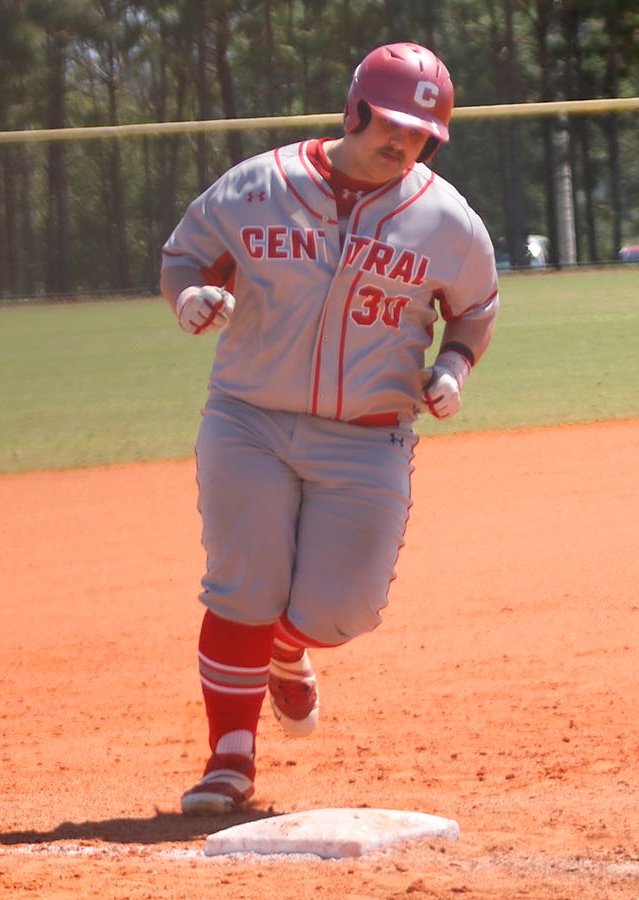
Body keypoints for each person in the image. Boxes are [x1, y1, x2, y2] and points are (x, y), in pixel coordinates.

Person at [159, 41, 500, 816]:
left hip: (367, 435)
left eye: (420, 134)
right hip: (249, 419)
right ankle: (230, 762)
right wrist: (189, 301)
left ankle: (290, 649)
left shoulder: (445, 220)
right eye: (390, 124)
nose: (402, 142)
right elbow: (186, 256)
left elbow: (475, 309)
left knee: (343, 609)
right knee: (244, 587)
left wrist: (453, 369)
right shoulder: (259, 186)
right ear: (354, 110)